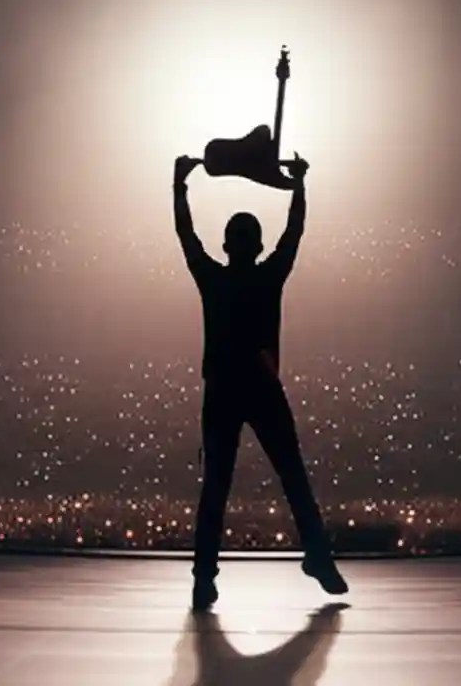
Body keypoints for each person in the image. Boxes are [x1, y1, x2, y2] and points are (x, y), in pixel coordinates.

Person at [172, 153, 348, 611]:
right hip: (263, 386)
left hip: (222, 391)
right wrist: (300, 186)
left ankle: (203, 578)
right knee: (294, 478)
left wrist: (179, 188)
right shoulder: (269, 278)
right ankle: (319, 558)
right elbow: (294, 235)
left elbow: (186, 237)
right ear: (256, 243)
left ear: (227, 245)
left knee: (216, 486)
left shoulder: (213, 279)